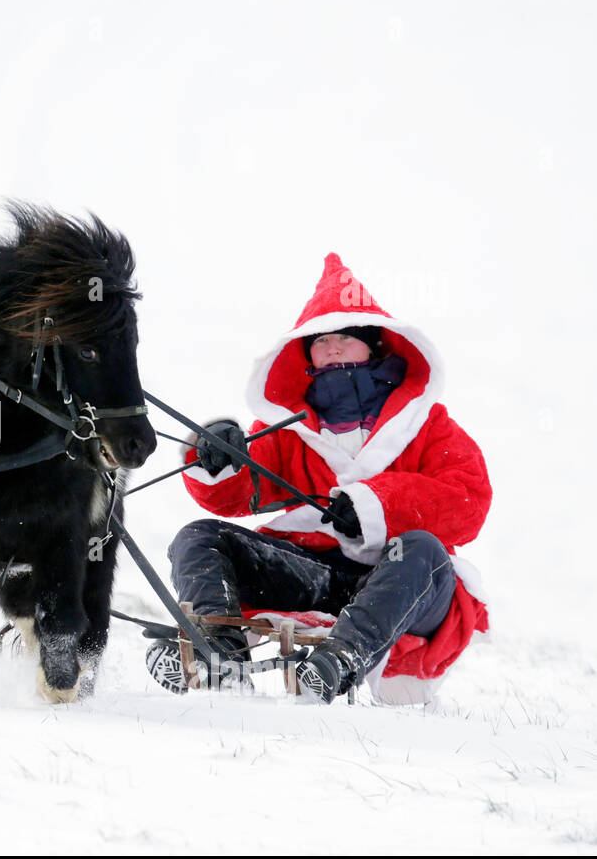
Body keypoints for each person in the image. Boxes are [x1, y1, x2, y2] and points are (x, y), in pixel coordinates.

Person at [145, 253, 492, 704]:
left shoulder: (427, 422)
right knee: (199, 537)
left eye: (345, 336)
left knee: (422, 549)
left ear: (376, 344)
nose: (331, 347)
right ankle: (219, 656)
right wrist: (217, 457)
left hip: (404, 584)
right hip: (317, 576)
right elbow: (235, 495)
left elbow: (469, 501)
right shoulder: (289, 427)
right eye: (320, 339)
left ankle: (336, 665)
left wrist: (375, 505)